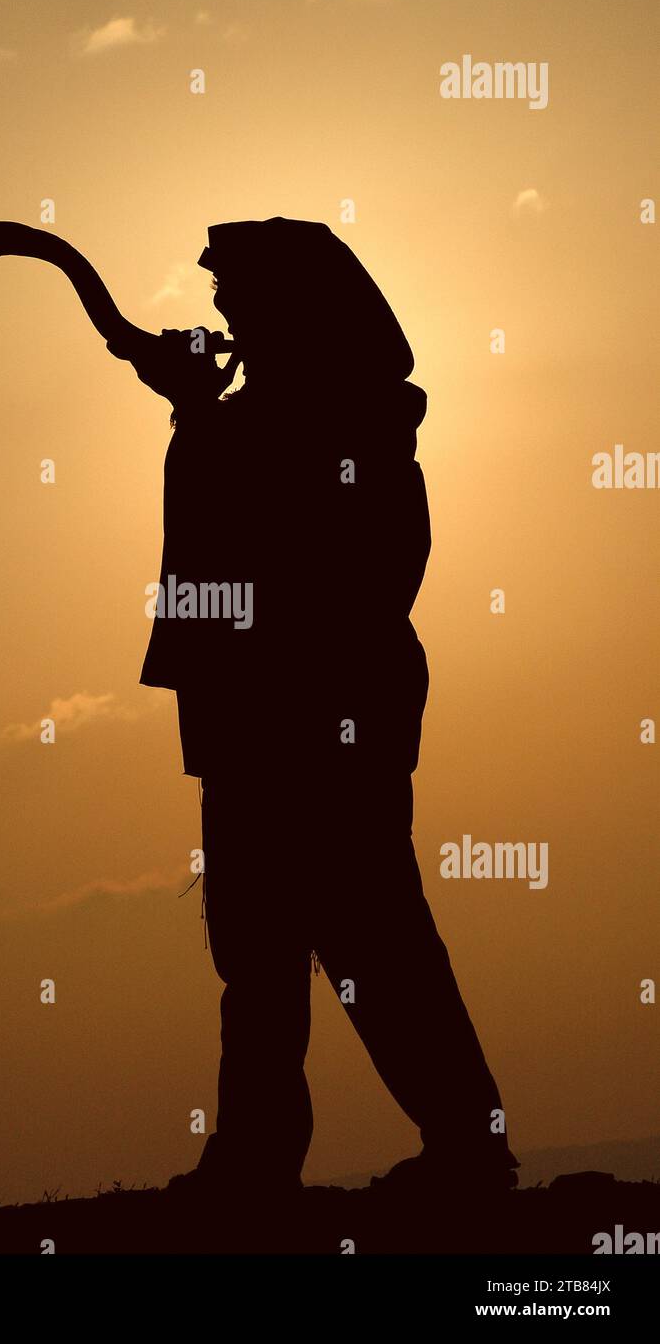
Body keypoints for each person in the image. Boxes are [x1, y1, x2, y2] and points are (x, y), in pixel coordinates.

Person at [116, 218, 519, 1202]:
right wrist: (196, 412)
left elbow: (276, 533)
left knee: (367, 933)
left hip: (319, 715)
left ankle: (463, 1147)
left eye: (239, 302)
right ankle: (258, 1157)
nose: (223, 317)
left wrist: (192, 414)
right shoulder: (286, 416)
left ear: (295, 312)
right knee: (257, 948)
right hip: (261, 713)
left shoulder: (344, 423)